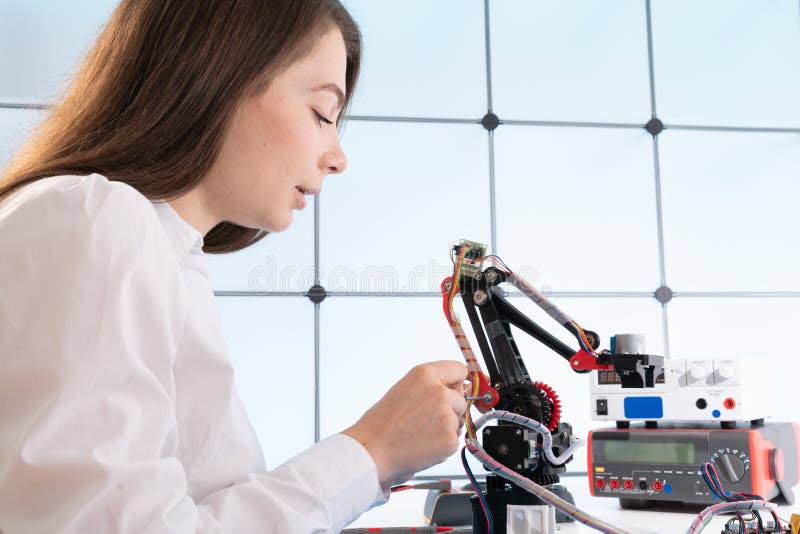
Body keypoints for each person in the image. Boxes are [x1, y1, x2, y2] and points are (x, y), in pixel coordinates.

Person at [0, 1, 468, 533]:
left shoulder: (165, 256)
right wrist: (372, 450)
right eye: (321, 113)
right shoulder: (97, 220)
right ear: (220, 73)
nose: (338, 156)